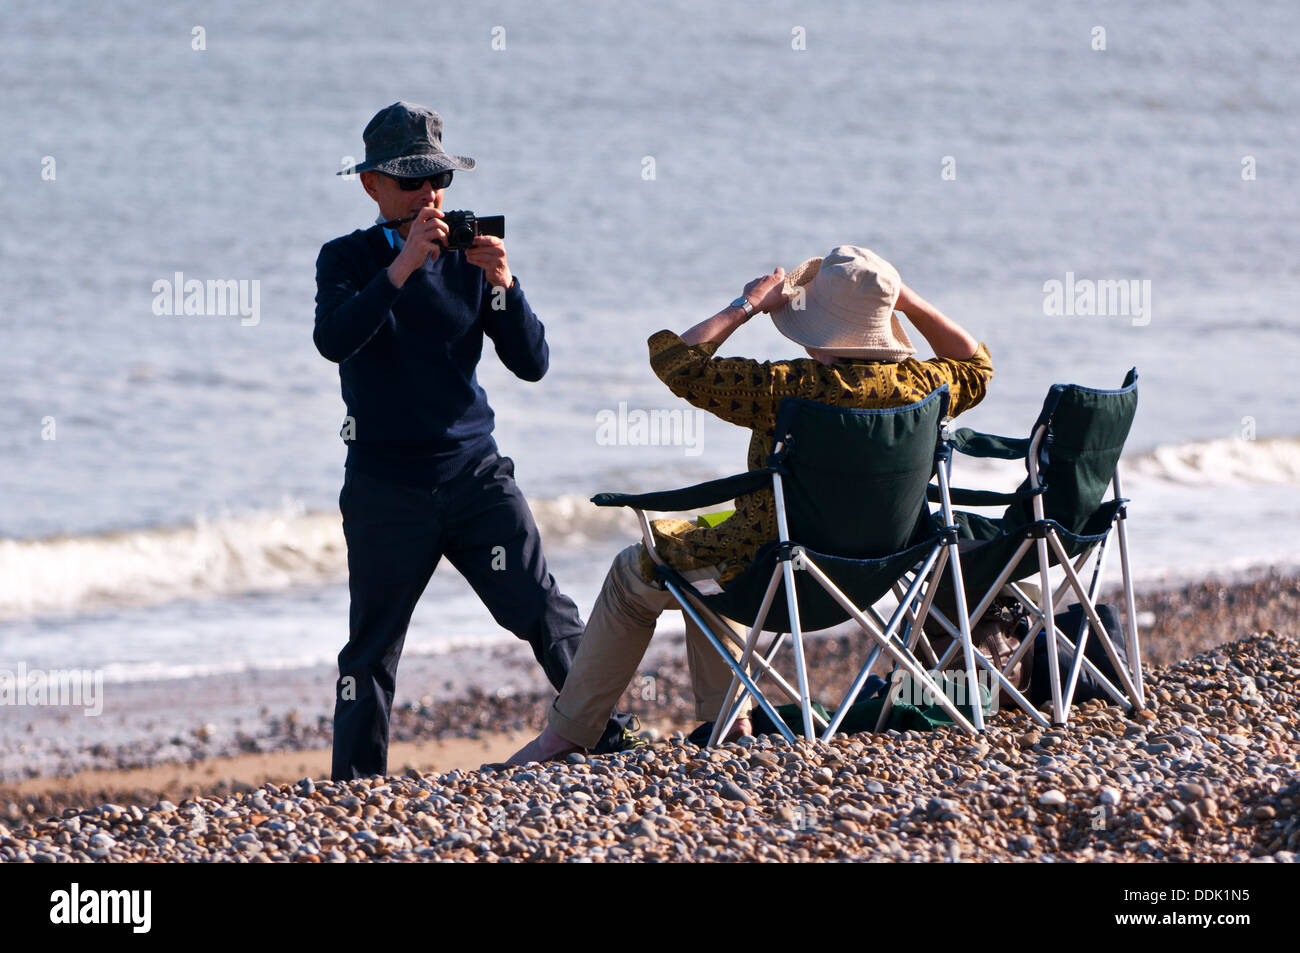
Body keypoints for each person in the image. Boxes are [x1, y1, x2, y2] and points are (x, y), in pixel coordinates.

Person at [507, 245, 995, 764]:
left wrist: (748, 304)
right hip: (875, 577)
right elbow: (976, 363)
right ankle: (729, 719)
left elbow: (677, 361)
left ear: (820, 331)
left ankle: (566, 735)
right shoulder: (923, 385)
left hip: (775, 580)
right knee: (709, 546)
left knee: (641, 570)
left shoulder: (786, 389)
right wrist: (907, 302)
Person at [315, 101, 632, 780]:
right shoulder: (346, 259)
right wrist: (400, 269)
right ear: (372, 185)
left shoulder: (470, 254)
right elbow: (334, 338)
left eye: (438, 179)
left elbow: (532, 363)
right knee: (370, 651)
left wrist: (503, 287)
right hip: (385, 486)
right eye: (410, 181)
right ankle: (354, 790)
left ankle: (606, 737)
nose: (429, 195)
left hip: (474, 476)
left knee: (544, 610)